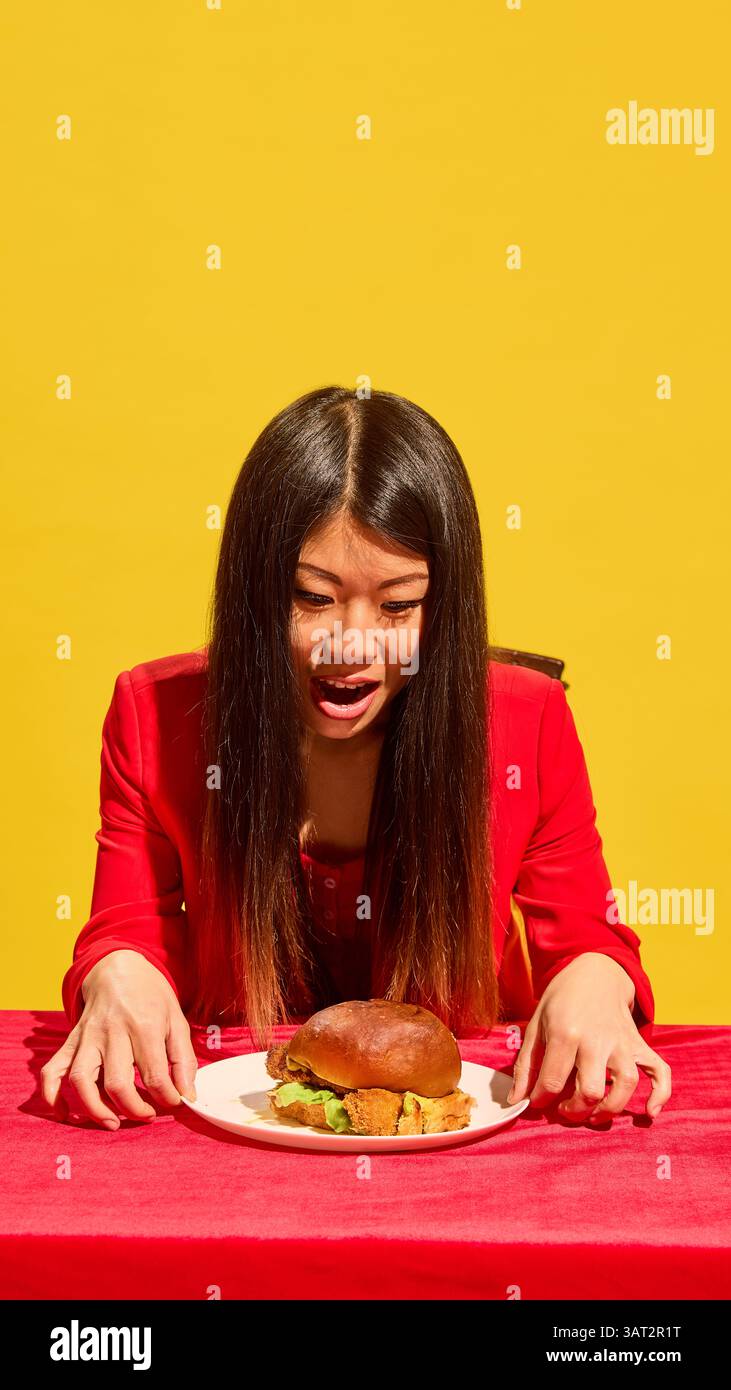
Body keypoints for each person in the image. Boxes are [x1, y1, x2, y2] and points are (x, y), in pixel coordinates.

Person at [42, 385, 671, 1131]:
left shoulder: (526, 718)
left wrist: (594, 981)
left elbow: (585, 933)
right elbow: (129, 922)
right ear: (252, 593)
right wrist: (118, 972)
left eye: (399, 606)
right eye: (312, 597)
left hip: (464, 1140)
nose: (353, 643)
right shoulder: (153, 714)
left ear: (446, 606)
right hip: (221, 1129)